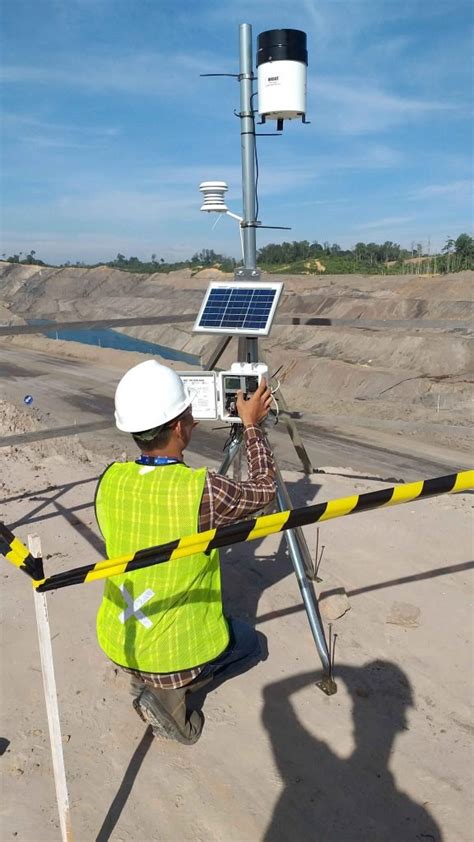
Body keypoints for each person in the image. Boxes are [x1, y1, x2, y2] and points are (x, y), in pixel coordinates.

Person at [95, 359, 276, 745]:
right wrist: (251, 426)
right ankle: (172, 697)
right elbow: (265, 488)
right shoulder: (202, 490)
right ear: (179, 427)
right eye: (189, 414)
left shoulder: (109, 479)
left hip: (119, 636)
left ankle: (145, 678)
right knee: (251, 645)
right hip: (174, 653)